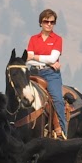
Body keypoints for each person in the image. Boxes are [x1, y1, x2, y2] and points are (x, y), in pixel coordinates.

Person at [25, 8, 69, 138]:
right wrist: (48, 61)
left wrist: (36, 57)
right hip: (33, 73)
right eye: (46, 21)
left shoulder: (57, 39)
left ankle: (61, 131)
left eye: (52, 22)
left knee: (57, 99)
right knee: (20, 95)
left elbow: (52, 58)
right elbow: (28, 60)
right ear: (41, 23)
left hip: (51, 74)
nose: (49, 24)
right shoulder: (34, 39)